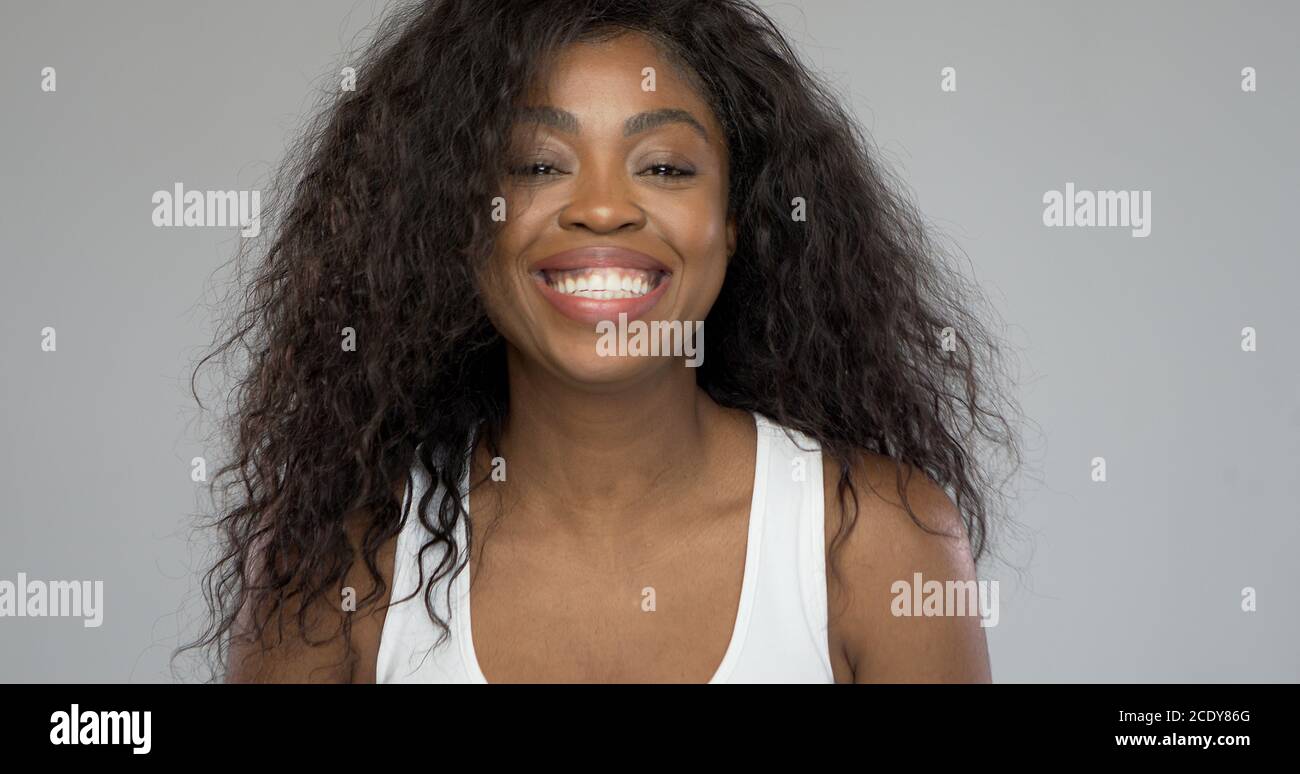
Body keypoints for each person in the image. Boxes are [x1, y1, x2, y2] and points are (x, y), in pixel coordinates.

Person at [185, 0, 1021, 683]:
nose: (602, 207)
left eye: (663, 166)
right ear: (459, 222)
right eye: (537, 165)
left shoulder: (875, 546)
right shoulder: (343, 560)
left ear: (734, 223)